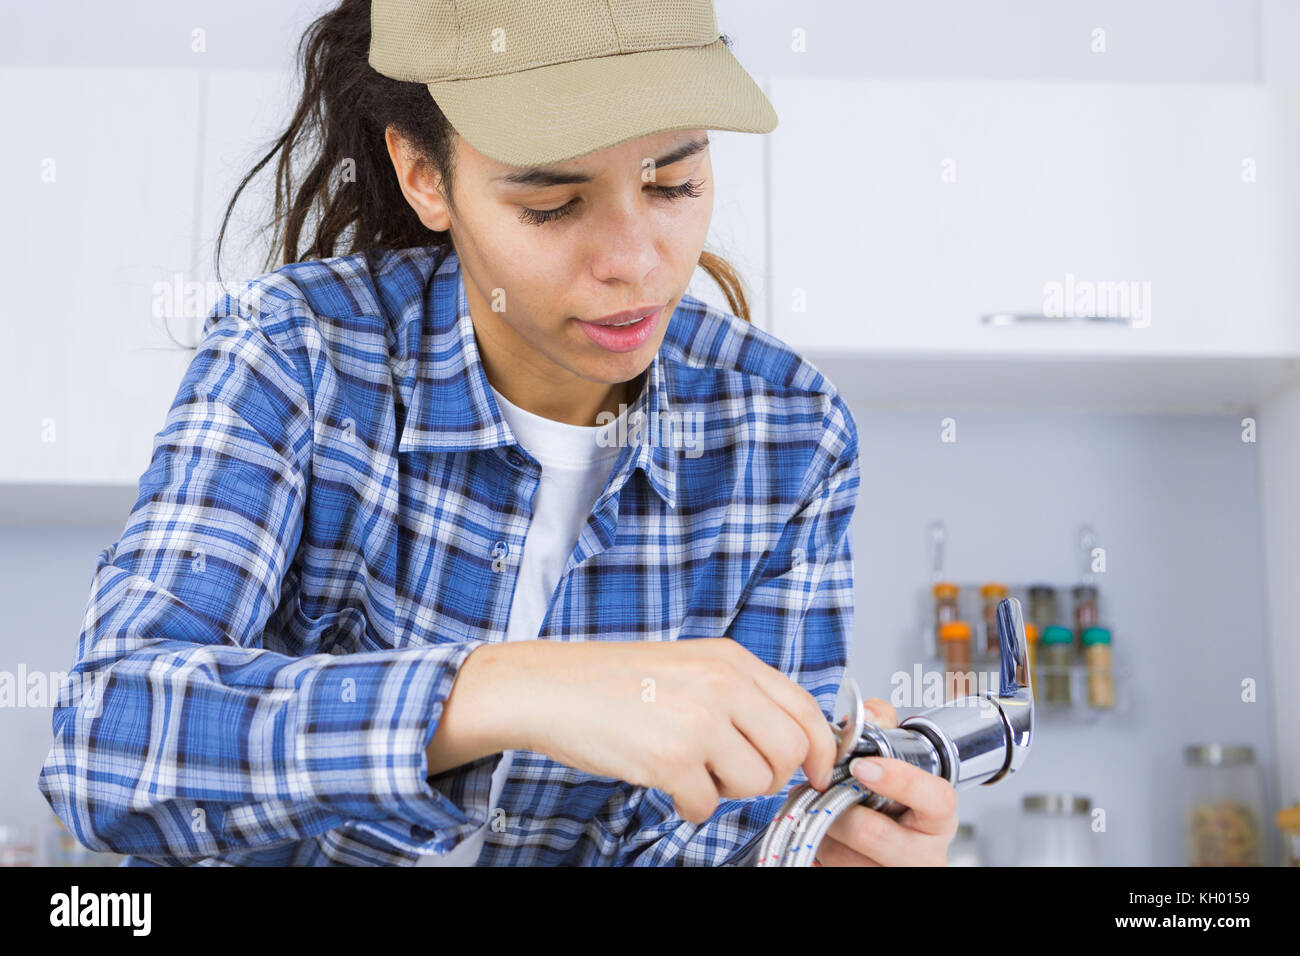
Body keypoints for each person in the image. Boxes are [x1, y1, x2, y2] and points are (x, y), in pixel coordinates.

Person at [38, 0, 957, 866]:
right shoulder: (297, 357)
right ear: (424, 176)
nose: (634, 263)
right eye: (552, 205)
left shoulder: (786, 431)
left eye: (675, 183)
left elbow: (702, 837)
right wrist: (505, 690)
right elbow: (106, 742)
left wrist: (795, 850)